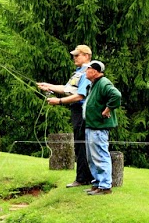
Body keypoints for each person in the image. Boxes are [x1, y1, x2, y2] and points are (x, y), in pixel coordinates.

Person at [36, 44, 94, 188]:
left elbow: (80, 95)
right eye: (74, 55)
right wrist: (48, 86)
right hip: (77, 110)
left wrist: (59, 101)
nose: (74, 57)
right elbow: (67, 89)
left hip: (83, 111)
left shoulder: (88, 72)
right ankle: (84, 177)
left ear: (86, 56)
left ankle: (83, 178)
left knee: (82, 144)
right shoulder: (79, 72)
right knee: (79, 143)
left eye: (77, 55)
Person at [80, 60, 122, 195]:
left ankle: (105, 186)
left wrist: (107, 110)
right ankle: (97, 183)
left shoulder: (103, 83)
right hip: (92, 125)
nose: (86, 71)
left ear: (95, 71)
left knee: (100, 155)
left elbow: (116, 95)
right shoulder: (94, 84)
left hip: (99, 126)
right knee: (92, 157)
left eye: (88, 69)